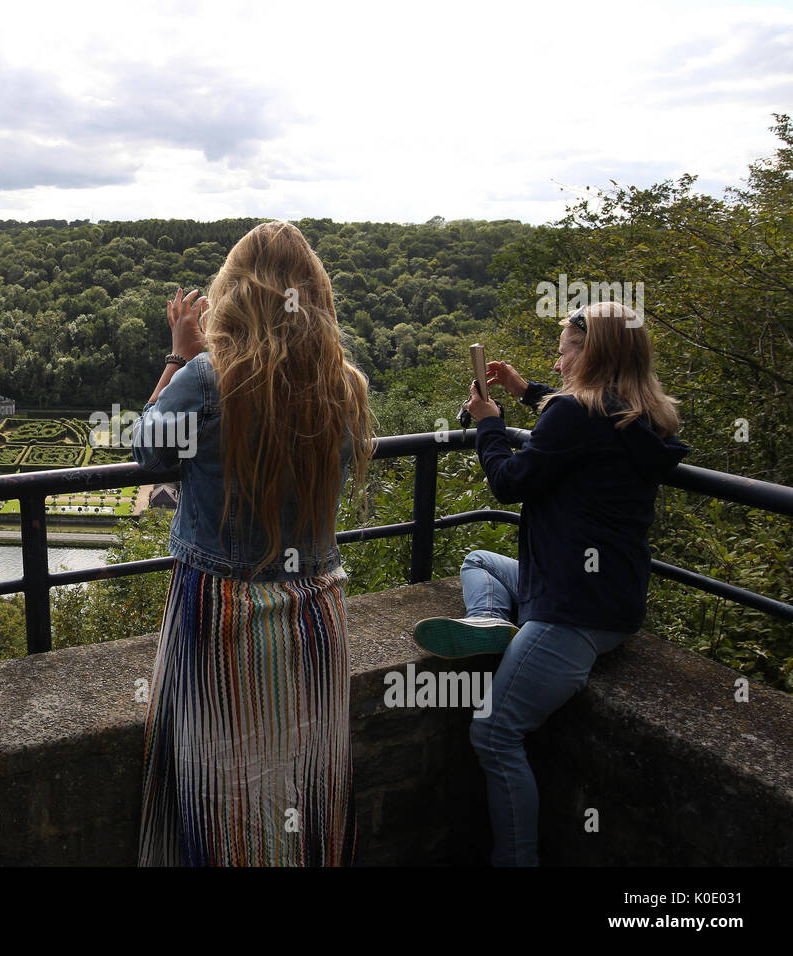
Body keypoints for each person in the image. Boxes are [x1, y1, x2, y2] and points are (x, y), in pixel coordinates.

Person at [131, 220, 373, 866]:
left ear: (233, 292)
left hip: (222, 611)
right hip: (316, 611)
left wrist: (178, 353)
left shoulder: (210, 377)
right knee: (306, 785)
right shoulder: (343, 384)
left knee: (221, 797)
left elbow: (148, 455)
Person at [415, 300, 690, 866]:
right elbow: (584, 426)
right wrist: (524, 393)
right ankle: (492, 622)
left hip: (571, 610)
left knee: (493, 734)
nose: (559, 363)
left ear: (592, 352)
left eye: (565, 350)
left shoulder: (576, 415)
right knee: (480, 559)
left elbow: (511, 483)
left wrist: (489, 424)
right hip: (612, 596)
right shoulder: (643, 417)